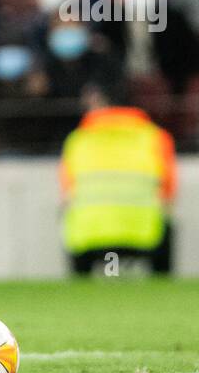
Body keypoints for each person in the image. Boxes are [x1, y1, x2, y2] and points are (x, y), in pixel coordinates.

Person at [60, 85, 176, 275]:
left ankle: (82, 289)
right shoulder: (156, 137)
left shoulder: (77, 140)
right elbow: (169, 191)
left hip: (88, 235)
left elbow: (66, 193)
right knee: (167, 219)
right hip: (145, 233)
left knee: (69, 219)